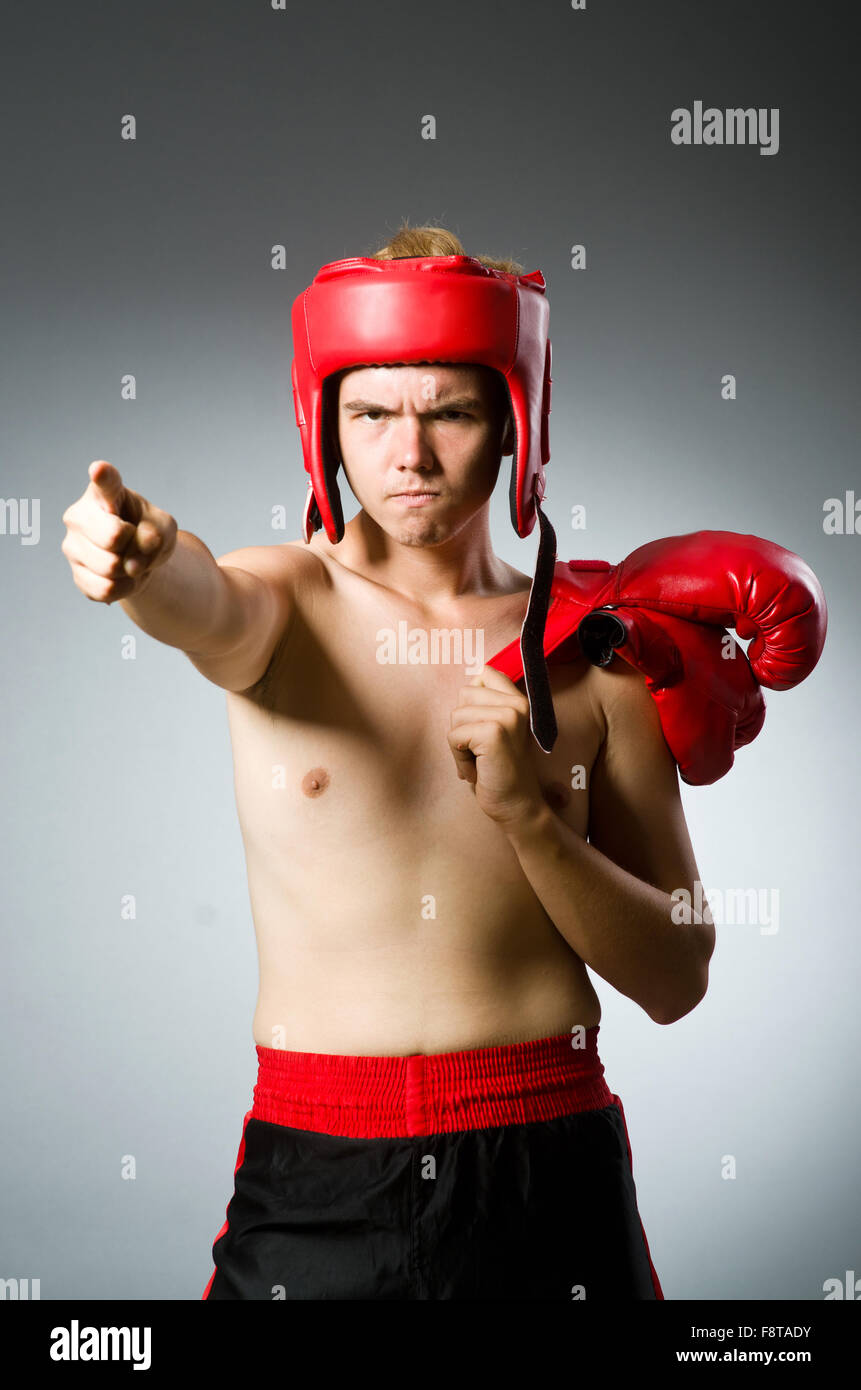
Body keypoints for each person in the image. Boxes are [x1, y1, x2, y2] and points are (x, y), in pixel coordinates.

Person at [61, 222, 716, 1301]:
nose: (406, 457)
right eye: (370, 414)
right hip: (317, 1170)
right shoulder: (292, 605)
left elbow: (678, 974)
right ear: (326, 424)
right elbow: (202, 599)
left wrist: (532, 821)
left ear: (515, 419)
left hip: (544, 1161)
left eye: (448, 413)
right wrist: (138, 556)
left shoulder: (595, 653)